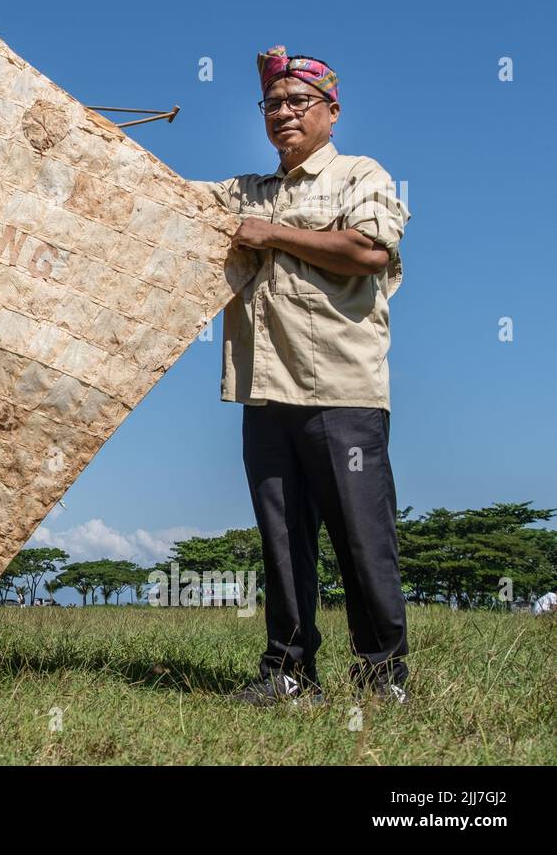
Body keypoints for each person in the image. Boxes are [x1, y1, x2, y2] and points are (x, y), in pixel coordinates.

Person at [196, 46, 412, 707]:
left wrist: (273, 233)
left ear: (331, 111)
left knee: (360, 536)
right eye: (272, 104)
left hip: (340, 393)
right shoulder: (248, 192)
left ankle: (382, 679)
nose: (284, 113)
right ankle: (289, 675)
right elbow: (165, 205)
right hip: (264, 393)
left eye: (299, 102)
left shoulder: (358, 175)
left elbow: (370, 250)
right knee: (282, 542)